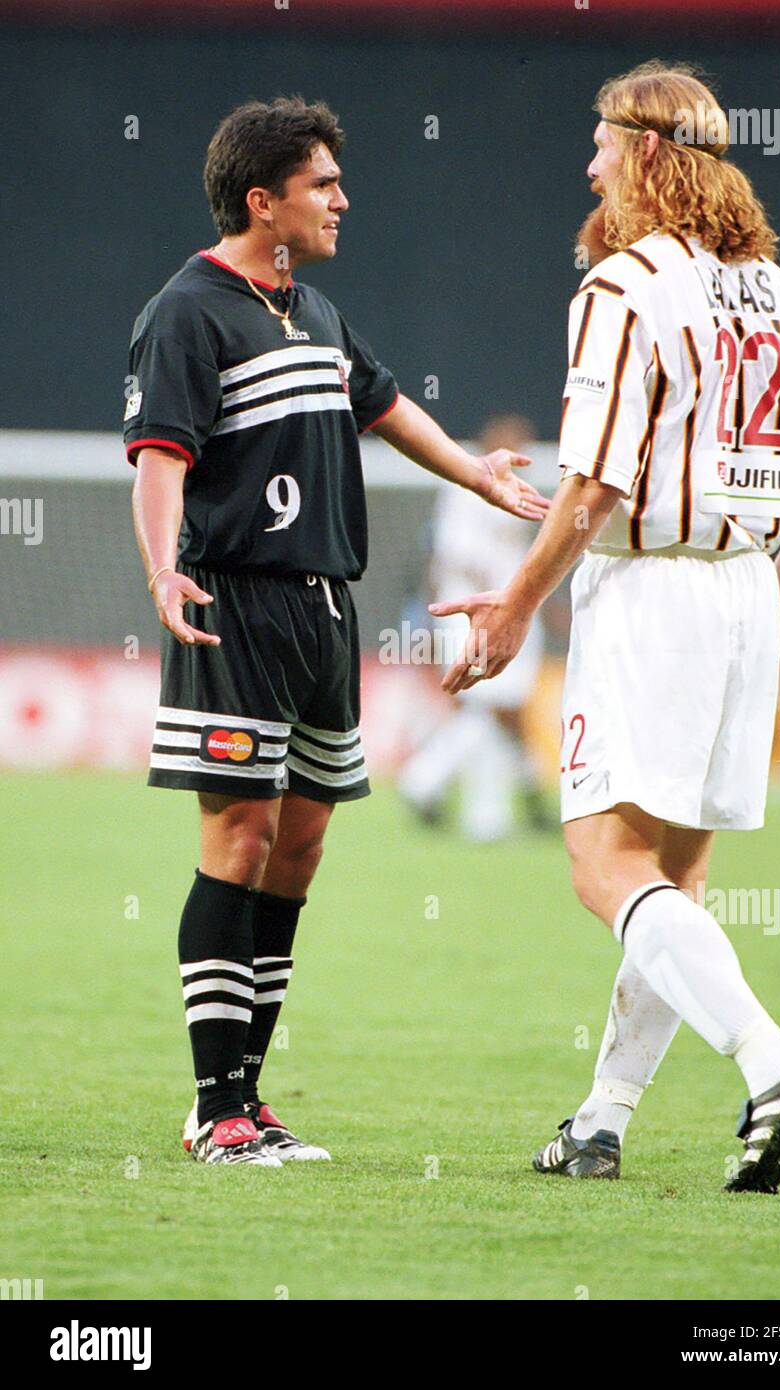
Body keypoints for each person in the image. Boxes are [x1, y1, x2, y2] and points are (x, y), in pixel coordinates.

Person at [431, 61, 780, 1193]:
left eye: (602, 146)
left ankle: (772, 1062)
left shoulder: (623, 286)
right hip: (738, 599)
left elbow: (593, 486)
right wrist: (754, 603)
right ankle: (599, 1121)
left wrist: (515, 605)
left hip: (649, 595)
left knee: (599, 864)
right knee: (672, 878)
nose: (588, 166)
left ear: (649, 156)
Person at [125, 97, 547, 1167]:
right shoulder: (188, 311)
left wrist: (475, 472)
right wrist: (162, 567)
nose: (342, 198)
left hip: (324, 610)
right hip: (237, 604)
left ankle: (243, 1100)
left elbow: (385, 403)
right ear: (262, 201)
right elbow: (161, 457)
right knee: (237, 840)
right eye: (322, 183)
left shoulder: (309, 306)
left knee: (299, 850)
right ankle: (218, 1107)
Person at [400, 415, 553, 841]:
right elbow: (453, 553)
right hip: (476, 612)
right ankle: (429, 782)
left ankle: (482, 809)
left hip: (513, 611)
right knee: (492, 705)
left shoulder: (518, 489)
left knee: (498, 708)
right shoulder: (466, 487)